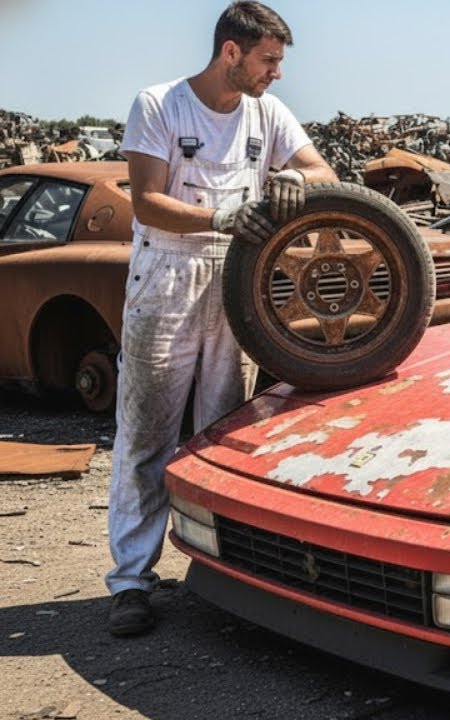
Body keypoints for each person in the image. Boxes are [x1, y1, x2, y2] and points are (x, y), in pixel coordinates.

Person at [106, 1, 336, 637]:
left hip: (235, 284)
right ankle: (131, 582)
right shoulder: (160, 105)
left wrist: (294, 176)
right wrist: (218, 219)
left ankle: (219, 573)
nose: (277, 74)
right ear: (230, 53)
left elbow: (323, 170)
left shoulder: (267, 113)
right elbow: (148, 204)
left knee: (218, 433)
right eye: (268, 60)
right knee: (147, 433)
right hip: (168, 278)